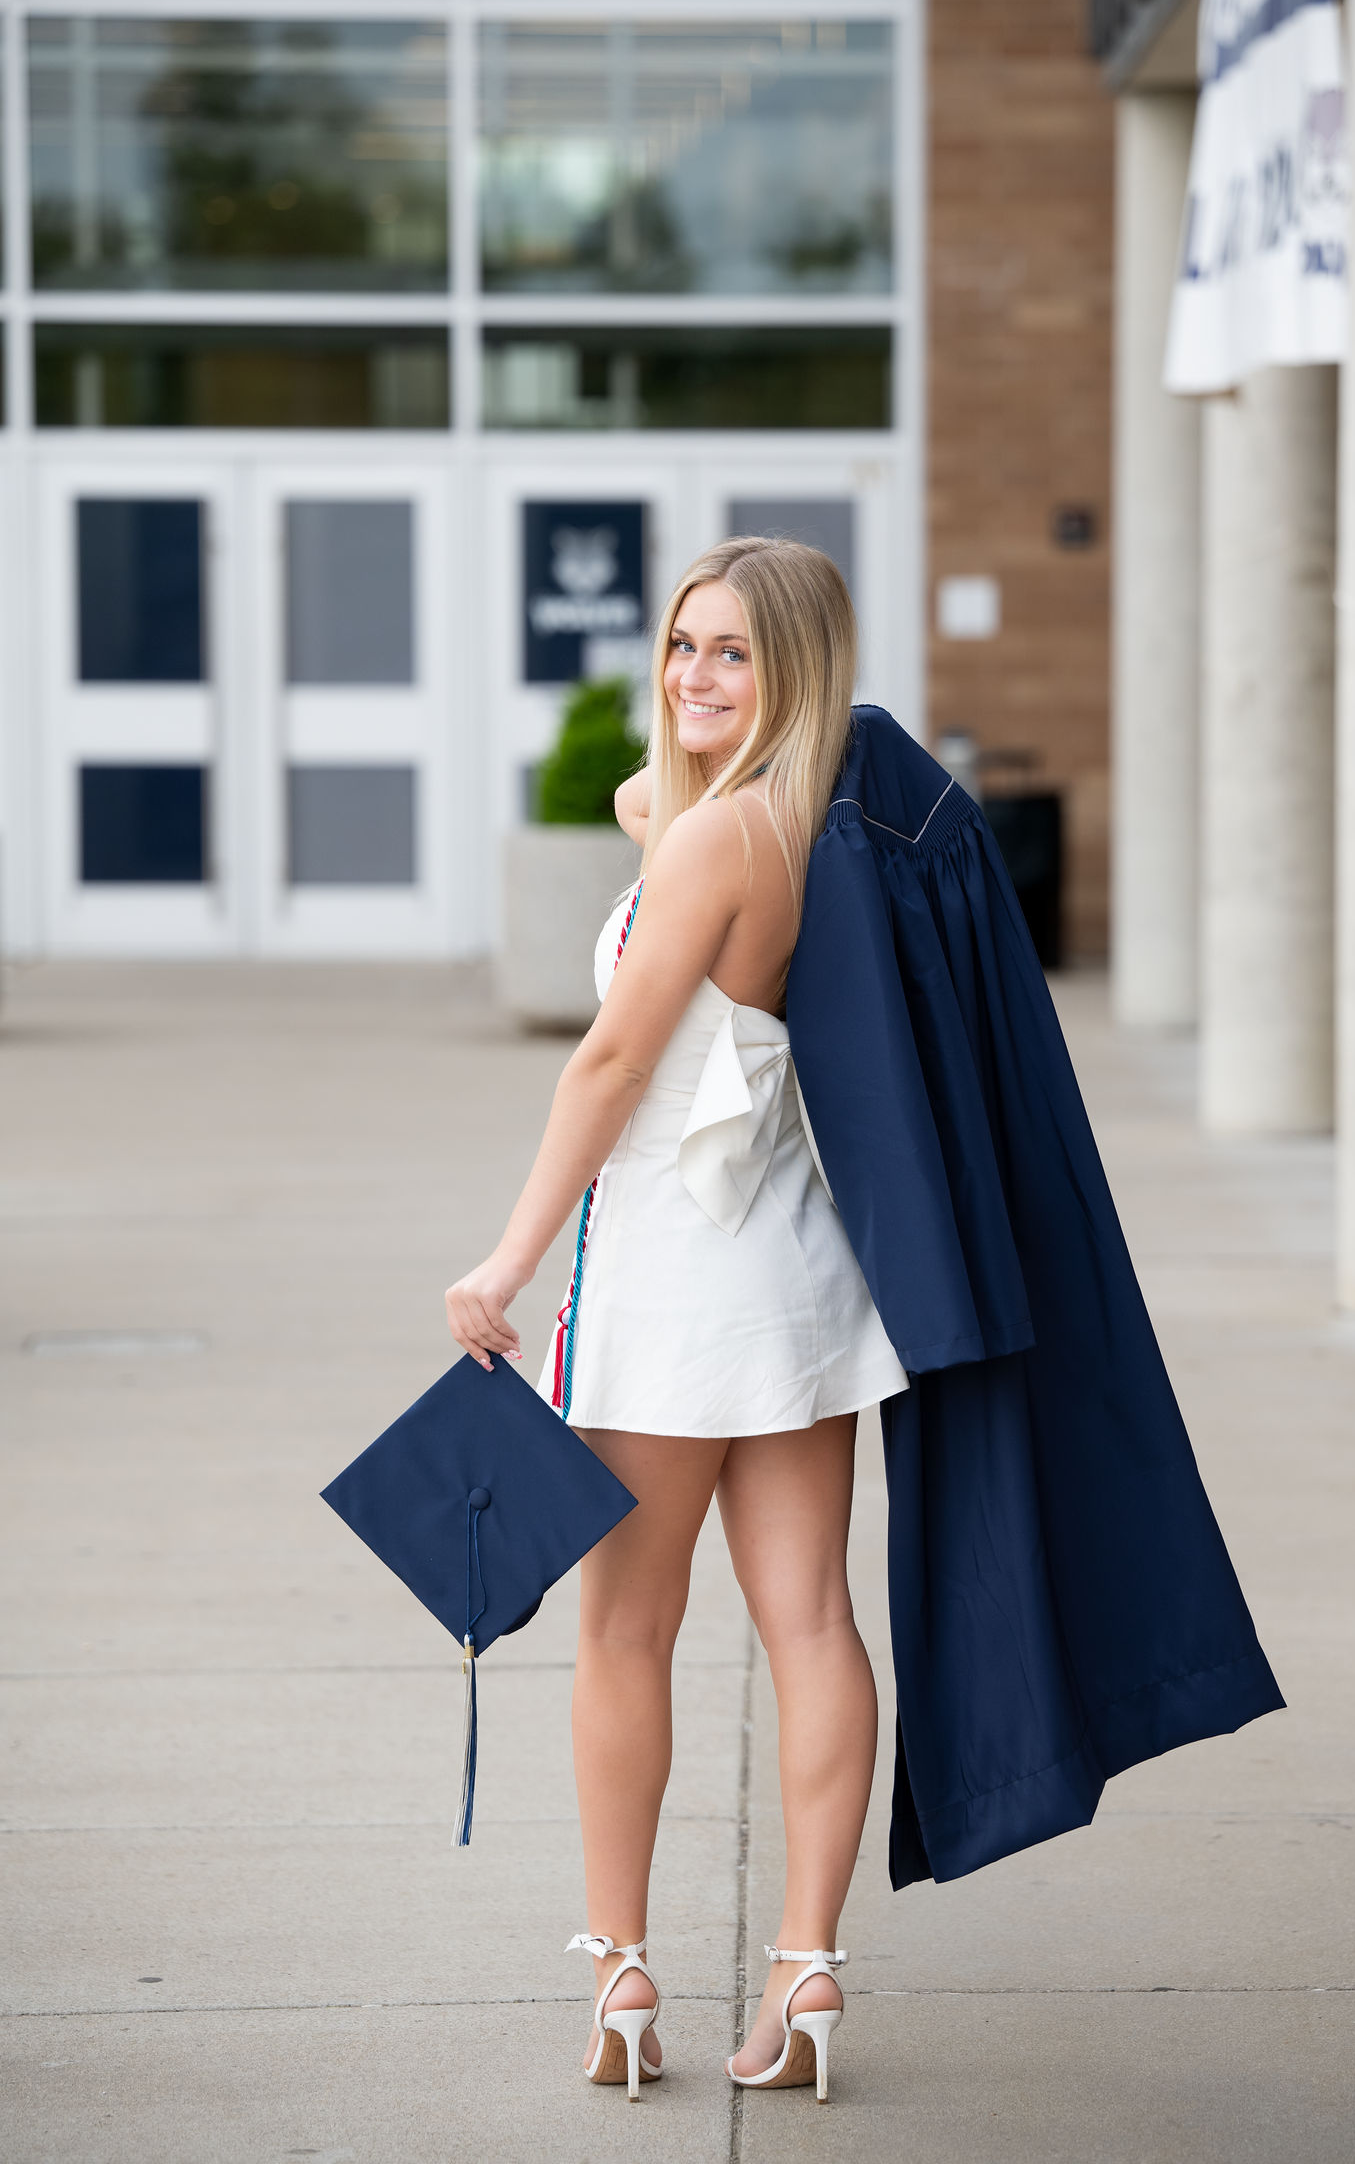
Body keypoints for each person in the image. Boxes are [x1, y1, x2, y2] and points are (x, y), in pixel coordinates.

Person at [444, 538, 905, 2103]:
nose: (697, 676)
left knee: (625, 1632)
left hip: (670, 1286)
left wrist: (509, 1258)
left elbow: (612, 1065)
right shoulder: (804, 822)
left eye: (736, 654)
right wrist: (680, 782)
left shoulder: (715, 843)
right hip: (793, 1274)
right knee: (813, 1621)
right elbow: (657, 801)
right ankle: (807, 1966)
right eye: (683, 647)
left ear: (797, 670)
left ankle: (623, 1973)